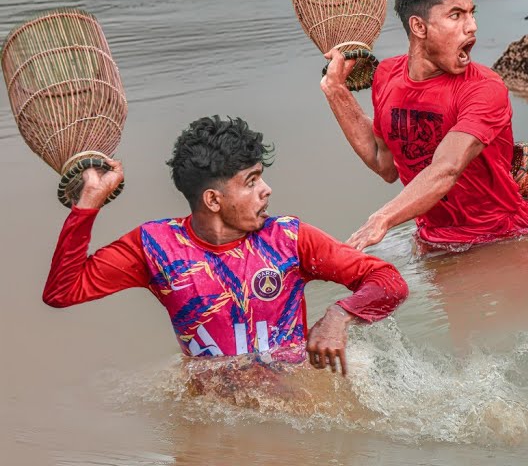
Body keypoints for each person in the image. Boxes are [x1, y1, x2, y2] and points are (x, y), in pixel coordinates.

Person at [42, 115, 409, 376]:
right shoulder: (155, 247)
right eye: (251, 181)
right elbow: (63, 292)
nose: (266, 190)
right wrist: (88, 204)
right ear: (213, 200)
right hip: (215, 417)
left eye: (261, 178)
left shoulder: (290, 239)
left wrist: (338, 317)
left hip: (294, 412)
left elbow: (389, 282)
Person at [321, 0, 528, 253]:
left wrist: (382, 218)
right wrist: (336, 91)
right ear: (419, 27)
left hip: (503, 241)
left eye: (471, 13)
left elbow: (446, 168)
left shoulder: (484, 88)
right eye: (456, 15)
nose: (472, 26)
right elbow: (384, 164)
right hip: (433, 242)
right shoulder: (386, 76)